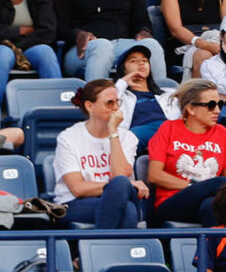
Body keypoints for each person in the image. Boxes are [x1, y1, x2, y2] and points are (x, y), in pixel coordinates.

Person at [53, 79, 149, 230]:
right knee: (128, 209)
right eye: (109, 103)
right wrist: (120, 186)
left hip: (120, 199)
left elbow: (120, 175)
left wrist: (113, 133)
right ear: (90, 106)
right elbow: (78, 189)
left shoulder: (127, 137)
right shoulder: (68, 138)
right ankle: (103, 249)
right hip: (76, 204)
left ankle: (96, 246)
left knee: (122, 189)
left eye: (118, 102)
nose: (116, 108)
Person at [56, 0, 161, 83]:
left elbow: (142, 22)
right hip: (81, 50)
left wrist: (143, 31)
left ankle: (162, 96)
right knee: (102, 46)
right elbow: (58, 27)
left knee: (152, 45)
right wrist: (77, 34)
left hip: (122, 46)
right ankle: (95, 97)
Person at [147, 79, 226, 225]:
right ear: (191, 109)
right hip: (172, 202)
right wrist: (196, 187)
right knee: (220, 183)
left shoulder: (222, 133)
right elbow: (154, 175)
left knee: (211, 207)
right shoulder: (168, 129)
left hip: (209, 202)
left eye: (219, 104)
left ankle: (212, 248)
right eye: (210, 105)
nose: (217, 110)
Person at [160, 0, 226, 80]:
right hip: (185, 44)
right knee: (204, 56)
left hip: (216, 42)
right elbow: (176, 29)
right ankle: (199, 96)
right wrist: (203, 43)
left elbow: (225, 24)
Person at [118, 44, 180, 146]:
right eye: (133, 61)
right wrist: (123, 82)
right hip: (138, 135)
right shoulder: (121, 95)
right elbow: (106, 103)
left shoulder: (169, 93)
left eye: (145, 61)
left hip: (170, 131)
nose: (141, 63)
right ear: (123, 69)